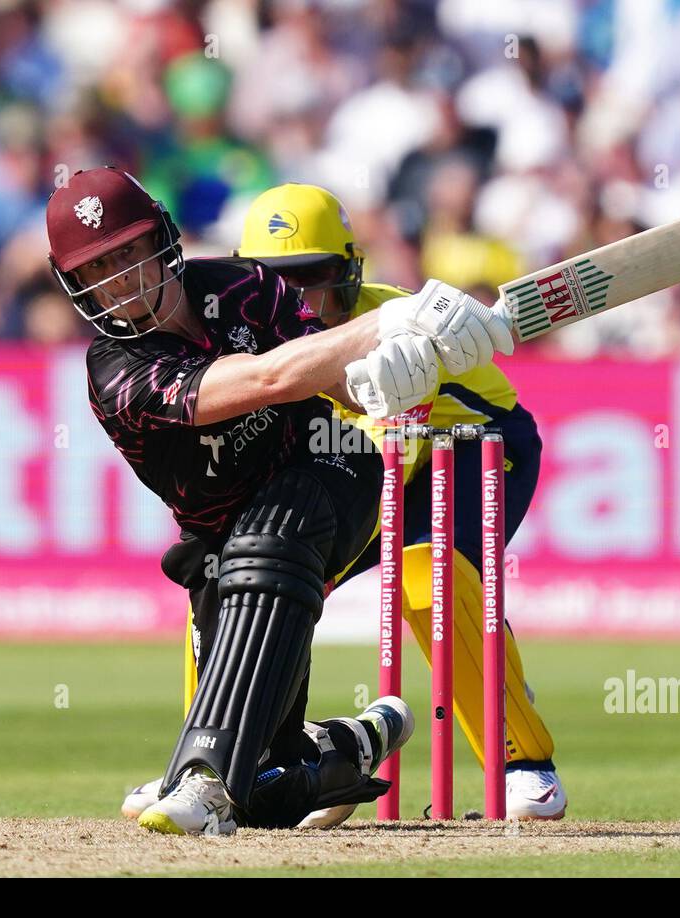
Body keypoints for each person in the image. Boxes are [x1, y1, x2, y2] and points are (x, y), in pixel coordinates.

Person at [46, 167, 513, 834]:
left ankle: (204, 779)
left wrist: (412, 362)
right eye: (100, 268)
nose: (122, 278)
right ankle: (343, 744)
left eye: (129, 252)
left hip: (331, 468)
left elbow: (339, 384)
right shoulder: (115, 370)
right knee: (267, 786)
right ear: (76, 285)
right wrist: (385, 320)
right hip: (222, 543)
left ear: (163, 239)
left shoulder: (246, 286)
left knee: (274, 531)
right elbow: (266, 377)